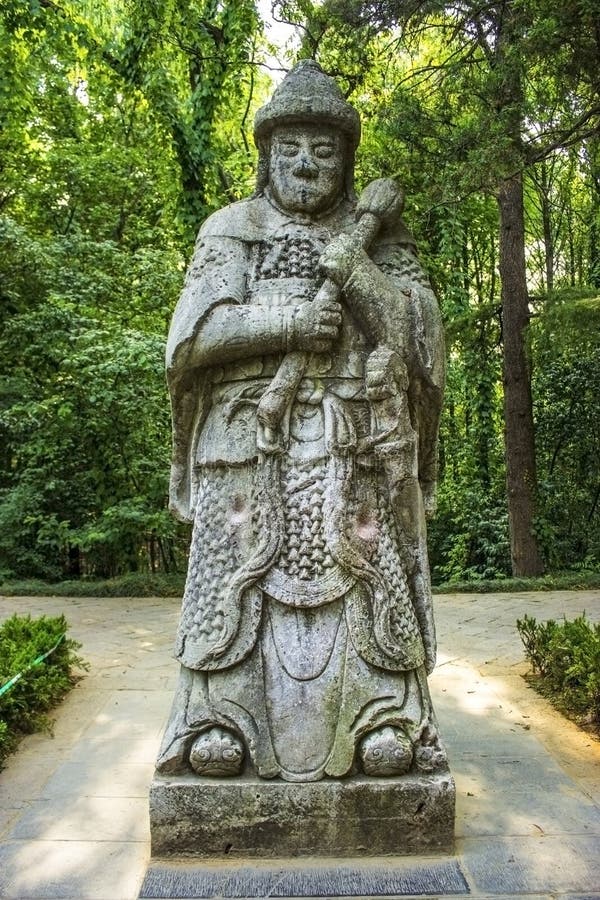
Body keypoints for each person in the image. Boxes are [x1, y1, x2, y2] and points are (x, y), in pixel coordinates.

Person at [156, 60, 446, 782]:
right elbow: (191, 339)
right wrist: (286, 324)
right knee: (232, 577)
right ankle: (219, 714)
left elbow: (415, 338)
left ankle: (383, 712)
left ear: (347, 160)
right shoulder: (231, 230)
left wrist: (354, 268)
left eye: (324, 149)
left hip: (353, 434)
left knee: (365, 571)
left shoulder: (381, 238)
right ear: (266, 156)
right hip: (246, 436)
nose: (307, 163)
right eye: (289, 148)